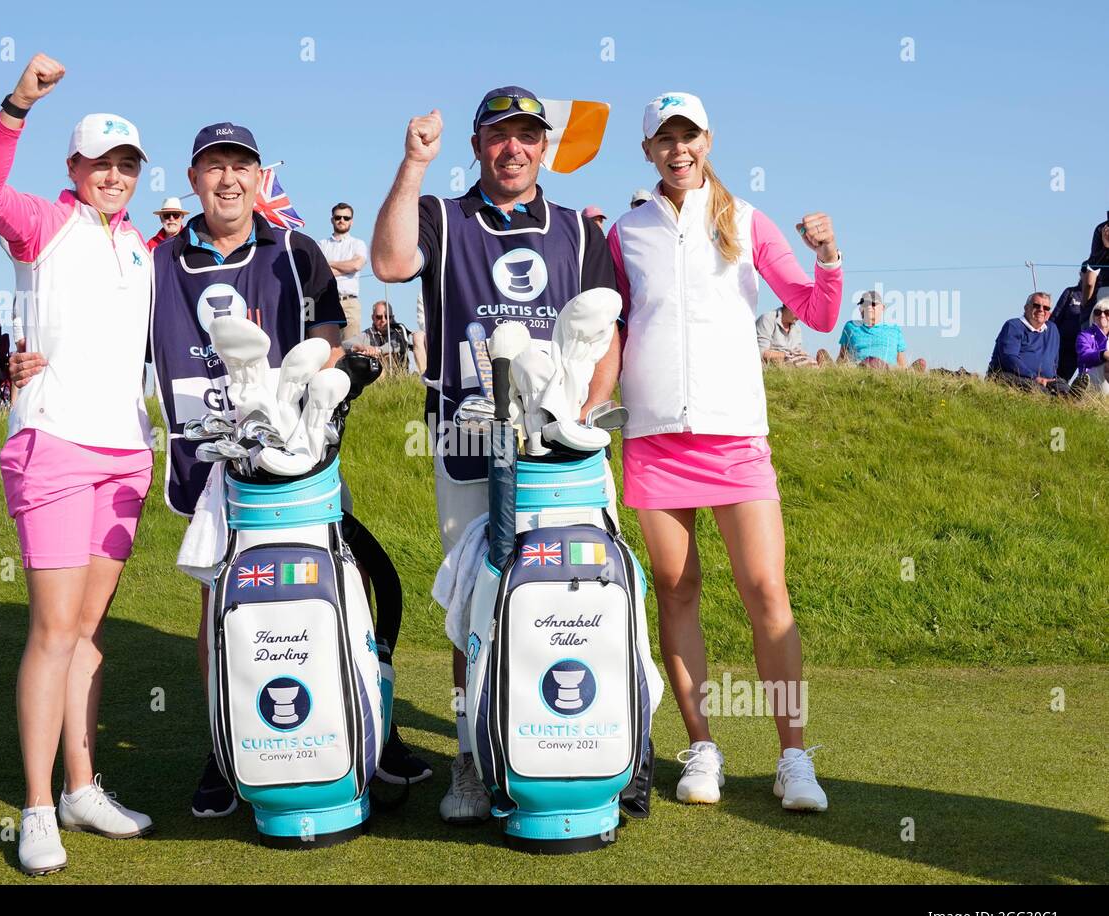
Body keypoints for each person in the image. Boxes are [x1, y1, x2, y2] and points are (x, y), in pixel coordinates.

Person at [13, 121, 430, 815]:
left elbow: (331, 330)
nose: (228, 179)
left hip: (298, 458)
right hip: (203, 464)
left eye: (241, 166)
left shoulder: (296, 249)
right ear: (195, 178)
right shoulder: (158, 260)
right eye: (213, 167)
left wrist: (308, 383)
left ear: (260, 177)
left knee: (342, 585)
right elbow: (97, 320)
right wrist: (33, 355)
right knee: (222, 607)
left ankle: (365, 728)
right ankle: (227, 746)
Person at [372, 85, 622, 824]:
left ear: (545, 148)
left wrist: (576, 416)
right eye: (498, 136)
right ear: (479, 145)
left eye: (527, 136)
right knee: (475, 603)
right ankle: (471, 761)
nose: (513, 148)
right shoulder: (443, 216)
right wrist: (415, 162)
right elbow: (388, 262)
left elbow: (606, 336)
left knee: (580, 595)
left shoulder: (579, 229)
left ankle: (592, 745)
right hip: (469, 438)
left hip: (564, 448)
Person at [608, 91, 843, 811]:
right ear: (648, 151)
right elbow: (611, 329)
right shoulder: (625, 232)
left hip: (735, 435)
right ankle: (701, 747)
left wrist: (828, 254)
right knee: (677, 592)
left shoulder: (745, 221)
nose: (678, 150)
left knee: (767, 591)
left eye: (689, 136)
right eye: (664, 139)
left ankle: (793, 757)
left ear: (707, 141)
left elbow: (819, 312)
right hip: (653, 439)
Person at [0, 52, 156, 875]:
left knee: (88, 630)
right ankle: (37, 806)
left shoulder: (145, 248)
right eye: (101, 163)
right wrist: (18, 103)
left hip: (126, 452)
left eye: (127, 165)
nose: (114, 176)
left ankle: (83, 787)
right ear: (74, 167)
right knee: (50, 629)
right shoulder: (45, 222)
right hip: (53, 444)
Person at [986, 292, 1072, 395]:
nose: (1041, 309)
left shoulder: (1053, 330)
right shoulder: (1013, 326)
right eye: (1036, 305)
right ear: (1026, 308)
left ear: (1049, 313)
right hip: (1010, 375)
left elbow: (1054, 363)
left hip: (1046, 381)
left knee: (1065, 388)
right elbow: (1009, 358)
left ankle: (1072, 395)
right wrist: (1034, 377)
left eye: (1046, 308)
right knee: (1039, 390)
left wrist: (1049, 379)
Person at [317, 203, 368, 342]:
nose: (342, 220)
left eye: (346, 218)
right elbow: (319, 271)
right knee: (325, 346)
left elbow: (357, 265)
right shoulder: (321, 244)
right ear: (332, 219)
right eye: (338, 217)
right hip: (326, 301)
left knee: (350, 347)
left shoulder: (358, 244)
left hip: (349, 302)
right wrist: (347, 267)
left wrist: (329, 263)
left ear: (351, 220)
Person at [836, 291, 924, 370]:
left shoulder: (894, 329)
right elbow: (842, 357)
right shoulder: (851, 326)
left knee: (921, 363)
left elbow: (901, 363)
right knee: (822, 354)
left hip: (888, 370)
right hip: (859, 367)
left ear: (882, 308)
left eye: (873, 304)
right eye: (864, 305)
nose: (869, 307)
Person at [756, 303, 830, 366]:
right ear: (788, 304)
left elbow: (797, 350)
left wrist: (802, 354)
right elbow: (761, 353)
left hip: (792, 364)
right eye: (798, 311)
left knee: (819, 355)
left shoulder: (797, 328)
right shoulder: (767, 319)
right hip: (773, 366)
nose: (800, 316)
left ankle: (822, 367)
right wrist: (786, 356)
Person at [348, 300, 410, 370]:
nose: (383, 320)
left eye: (387, 317)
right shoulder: (366, 334)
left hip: (397, 375)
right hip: (373, 375)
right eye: (379, 317)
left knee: (387, 355)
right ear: (372, 318)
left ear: (392, 318)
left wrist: (378, 350)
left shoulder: (400, 332)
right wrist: (358, 347)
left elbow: (398, 344)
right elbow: (344, 345)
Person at [1075, 298, 1109, 395]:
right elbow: (1084, 356)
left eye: (1107, 312)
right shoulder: (1084, 335)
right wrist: (1103, 354)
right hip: (1090, 379)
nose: (1102, 315)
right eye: (1098, 312)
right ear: (1093, 317)